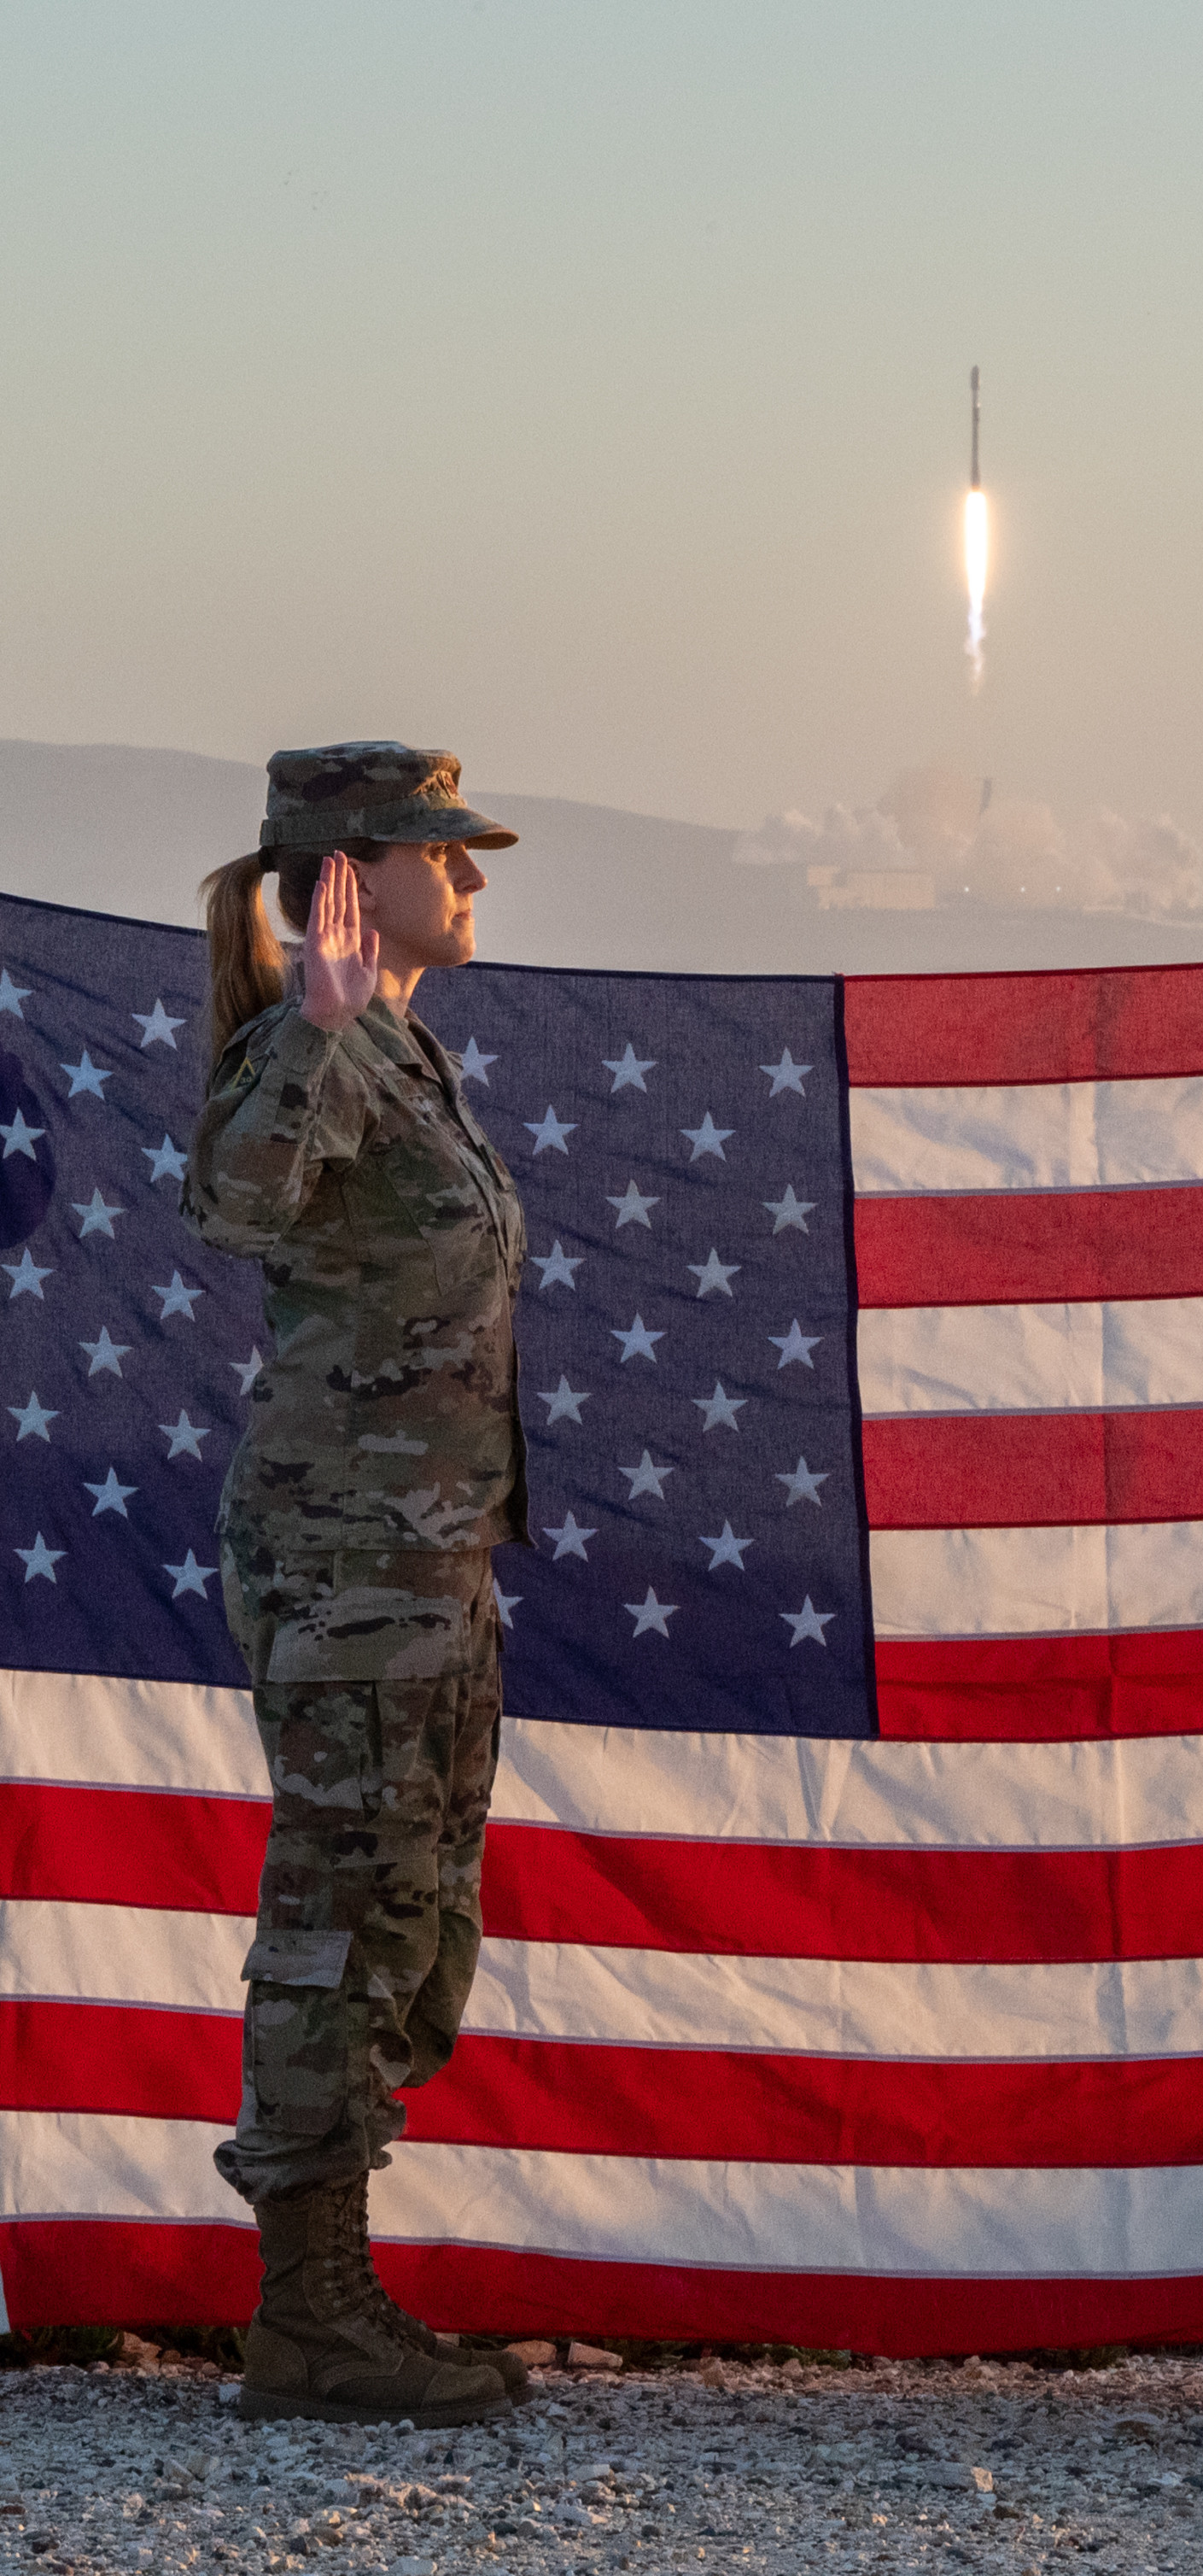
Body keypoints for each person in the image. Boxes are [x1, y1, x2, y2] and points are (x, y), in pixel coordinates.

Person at [186, 743, 533, 2426]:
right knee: (340, 1906)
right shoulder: (308, 1044)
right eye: (437, 852)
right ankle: (307, 2311)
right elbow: (235, 1203)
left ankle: (336, 2285)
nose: (467, 879)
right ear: (349, 875)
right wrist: (318, 1022)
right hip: (346, 1561)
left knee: (411, 1902)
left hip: (427, 1554)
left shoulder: (403, 1049)